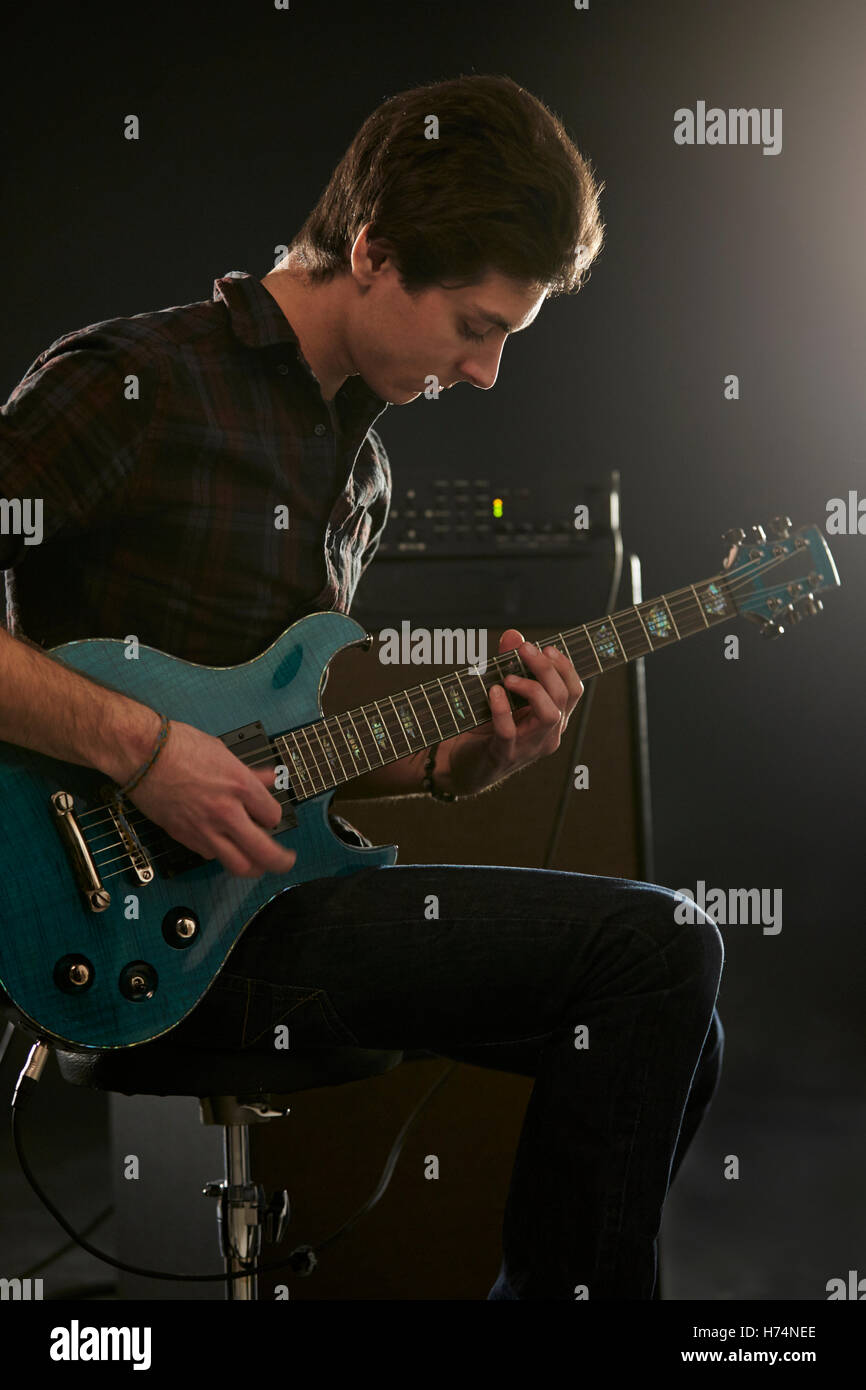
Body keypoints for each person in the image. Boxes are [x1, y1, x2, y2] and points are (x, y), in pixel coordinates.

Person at [0, 73, 723, 1299]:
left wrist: (455, 766)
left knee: (672, 1023)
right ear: (376, 253)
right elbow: (178, 762)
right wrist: (140, 750)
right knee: (658, 950)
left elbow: (278, 757)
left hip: (262, 908)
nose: (487, 372)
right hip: (111, 928)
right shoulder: (133, 381)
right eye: (477, 325)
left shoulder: (367, 474)